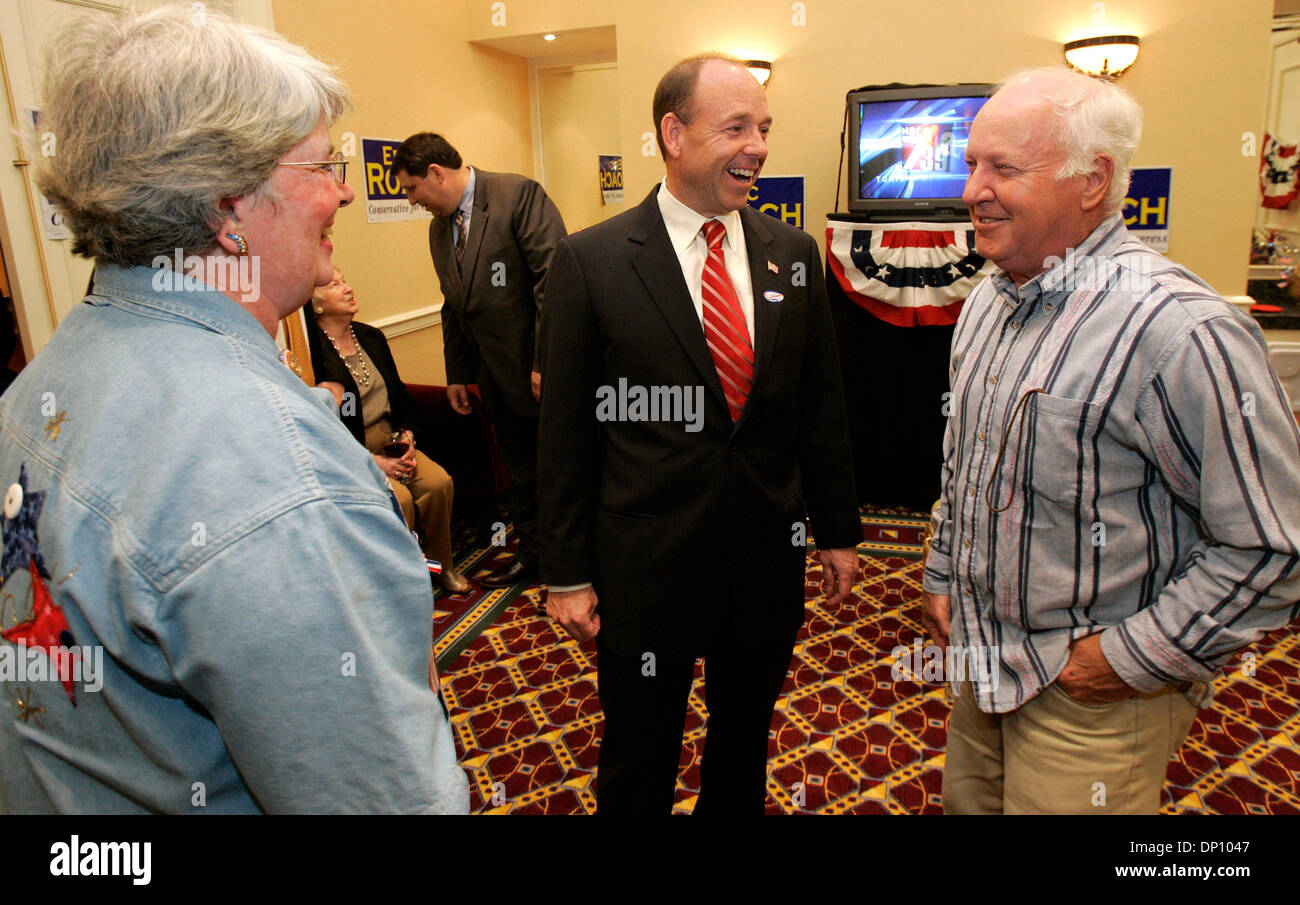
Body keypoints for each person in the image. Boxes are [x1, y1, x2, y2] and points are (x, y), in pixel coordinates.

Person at [0, 6, 468, 814]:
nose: (344, 194)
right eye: (321, 167)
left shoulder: (44, 381)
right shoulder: (277, 476)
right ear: (227, 209)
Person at [923, 66, 1300, 815]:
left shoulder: (1183, 328)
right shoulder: (988, 303)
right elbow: (966, 463)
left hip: (1094, 705)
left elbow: (1272, 544)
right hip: (983, 668)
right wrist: (942, 571)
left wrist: (1122, 660)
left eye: (1003, 168)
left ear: (1093, 179)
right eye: (971, 164)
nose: (972, 190)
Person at [538, 54, 862, 814]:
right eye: (738, 127)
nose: (759, 146)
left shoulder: (793, 254)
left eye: (765, 128)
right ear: (673, 133)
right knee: (639, 758)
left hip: (763, 563)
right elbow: (565, 435)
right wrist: (565, 569)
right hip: (644, 570)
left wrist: (839, 528)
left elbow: (820, 407)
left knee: (744, 743)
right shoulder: (591, 261)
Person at [391, 133, 567, 588]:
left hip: (539, 374)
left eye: (412, 189)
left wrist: (545, 362)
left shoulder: (516, 195)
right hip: (494, 379)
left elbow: (554, 281)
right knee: (524, 474)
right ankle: (534, 558)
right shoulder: (438, 229)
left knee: (561, 472)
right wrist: (457, 375)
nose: (412, 201)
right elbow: (453, 304)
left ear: (436, 173)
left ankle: (575, 567)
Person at [306, 268, 469, 594]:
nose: (348, 288)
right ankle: (404, 583)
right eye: (335, 285)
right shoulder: (313, 355)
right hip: (354, 453)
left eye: (346, 280)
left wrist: (408, 438)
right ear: (316, 305)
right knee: (400, 499)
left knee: (438, 483)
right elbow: (324, 431)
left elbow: (401, 396)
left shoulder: (370, 337)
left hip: (394, 441)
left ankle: (441, 567)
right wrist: (373, 463)